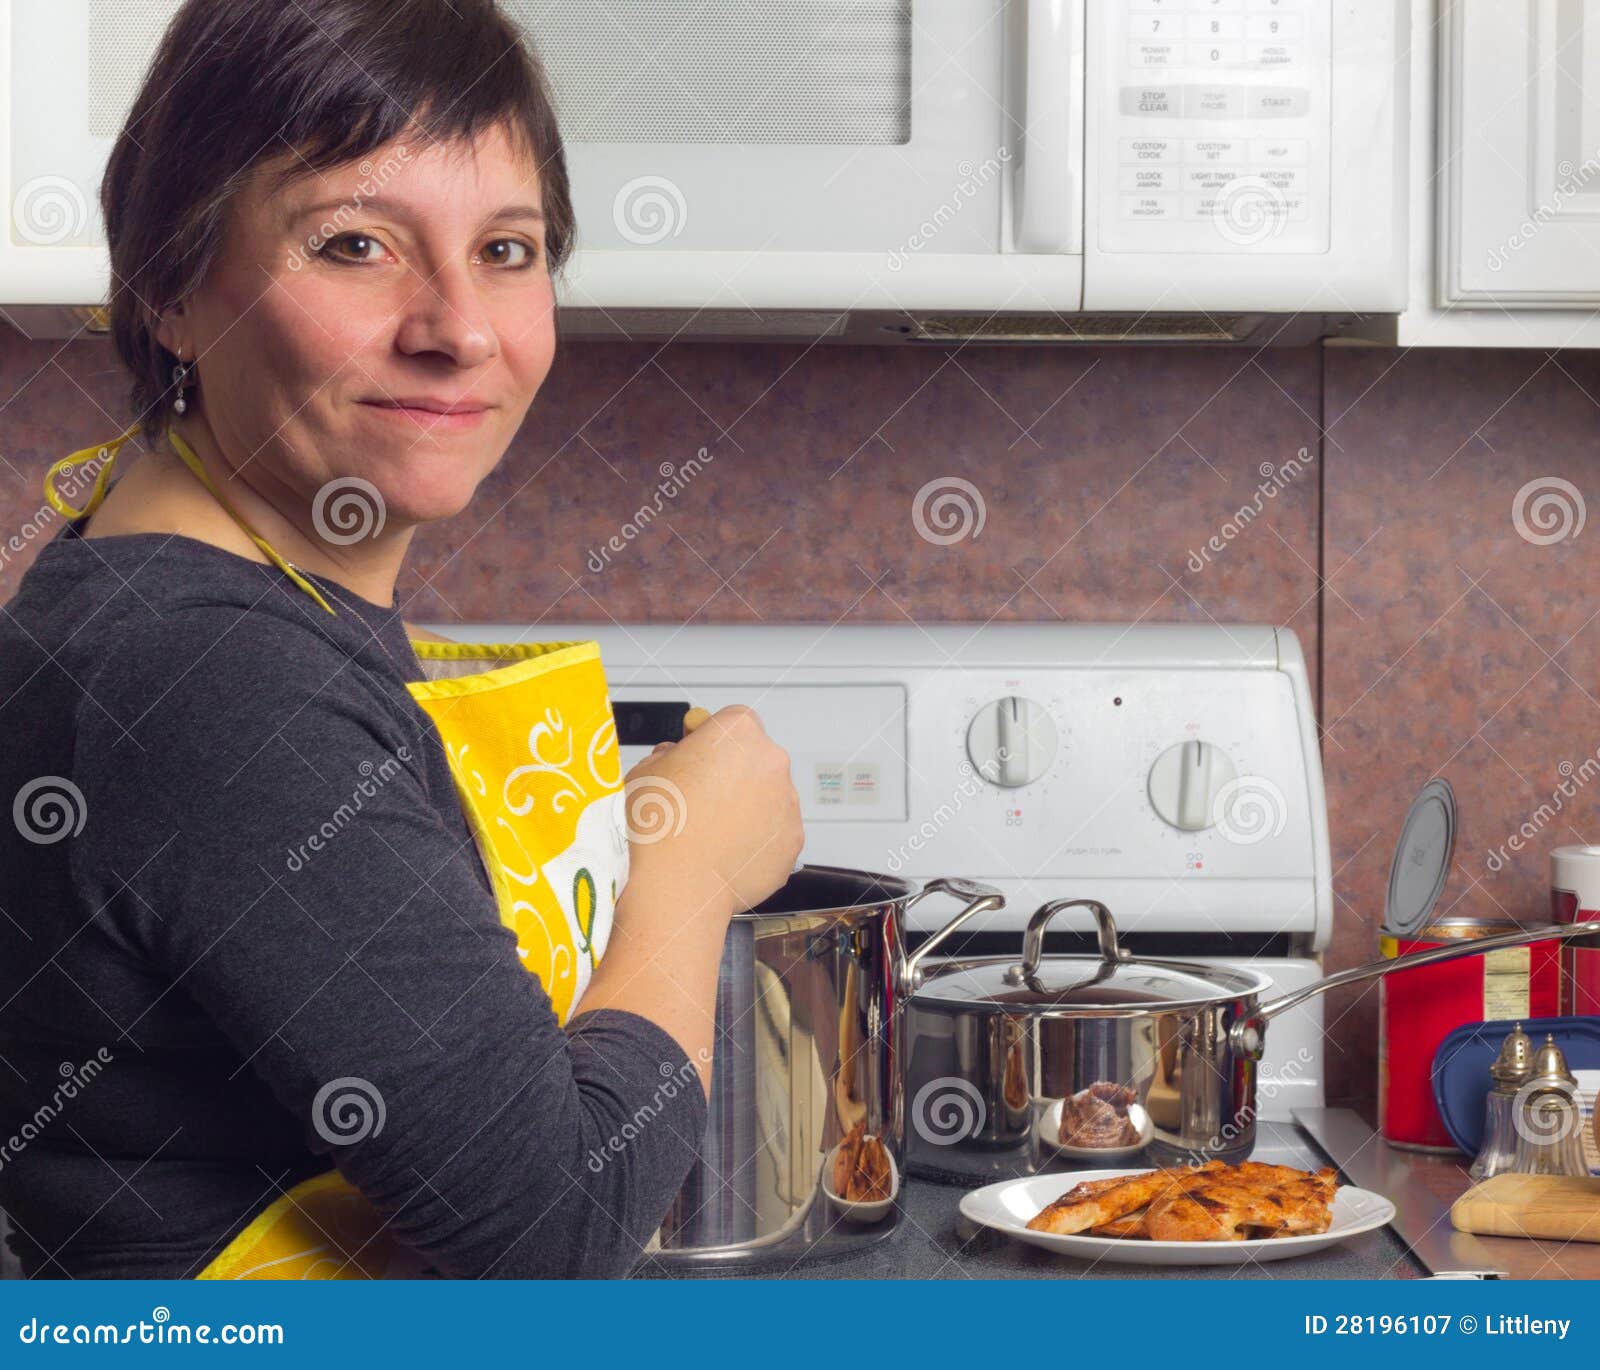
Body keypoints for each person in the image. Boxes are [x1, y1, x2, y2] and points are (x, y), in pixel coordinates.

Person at [0, 0, 802, 1279]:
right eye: (356, 242)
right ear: (168, 286)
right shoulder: (214, 679)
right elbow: (551, 1224)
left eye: (506, 248)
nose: (458, 328)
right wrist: (687, 868)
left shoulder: (191, 597)